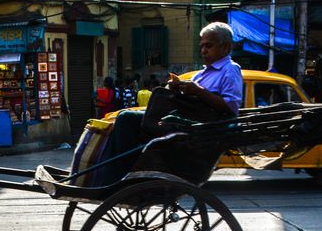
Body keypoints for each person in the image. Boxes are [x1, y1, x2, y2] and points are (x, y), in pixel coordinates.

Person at [100, 21, 243, 184]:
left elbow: (231, 107)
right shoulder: (202, 74)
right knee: (122, 118)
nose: (203, 51)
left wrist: (198, 91)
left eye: (208, 46)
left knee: (126, 118)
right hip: (181, 120)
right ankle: (114, 172)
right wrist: (177, 88)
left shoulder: (230, 69)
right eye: (202, 46)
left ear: (225, 47)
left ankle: (115, 178)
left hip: (195, 128)